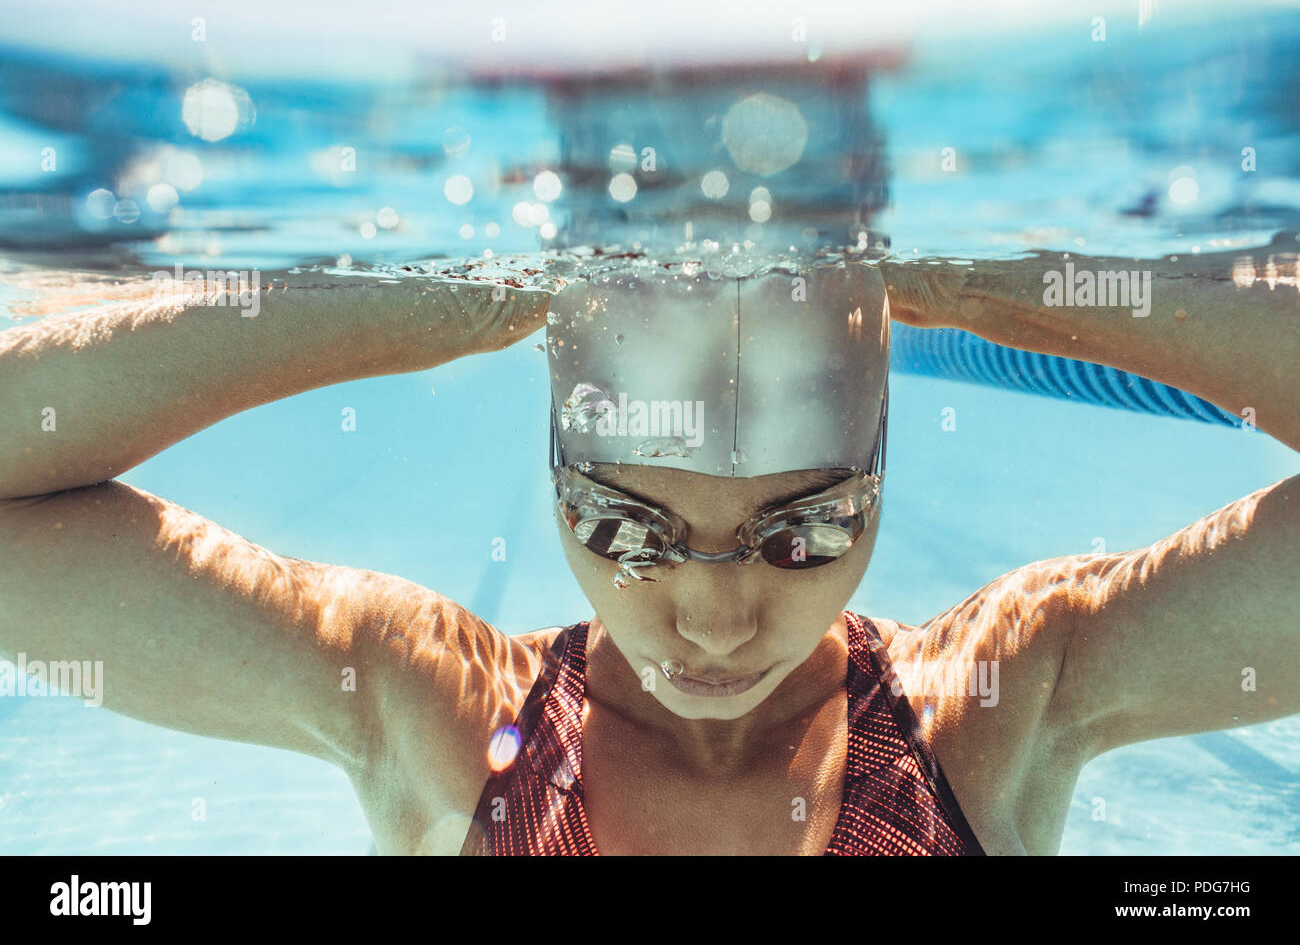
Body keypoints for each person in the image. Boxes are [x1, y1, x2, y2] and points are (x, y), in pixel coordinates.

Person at [0, 237, 1295, 855]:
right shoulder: (441, 714)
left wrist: (972, 281)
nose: (715, 620)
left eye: (809, 529)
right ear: (556, 484)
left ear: (882, 488)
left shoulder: (991, 710)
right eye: (629, 529)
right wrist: (429, 301)